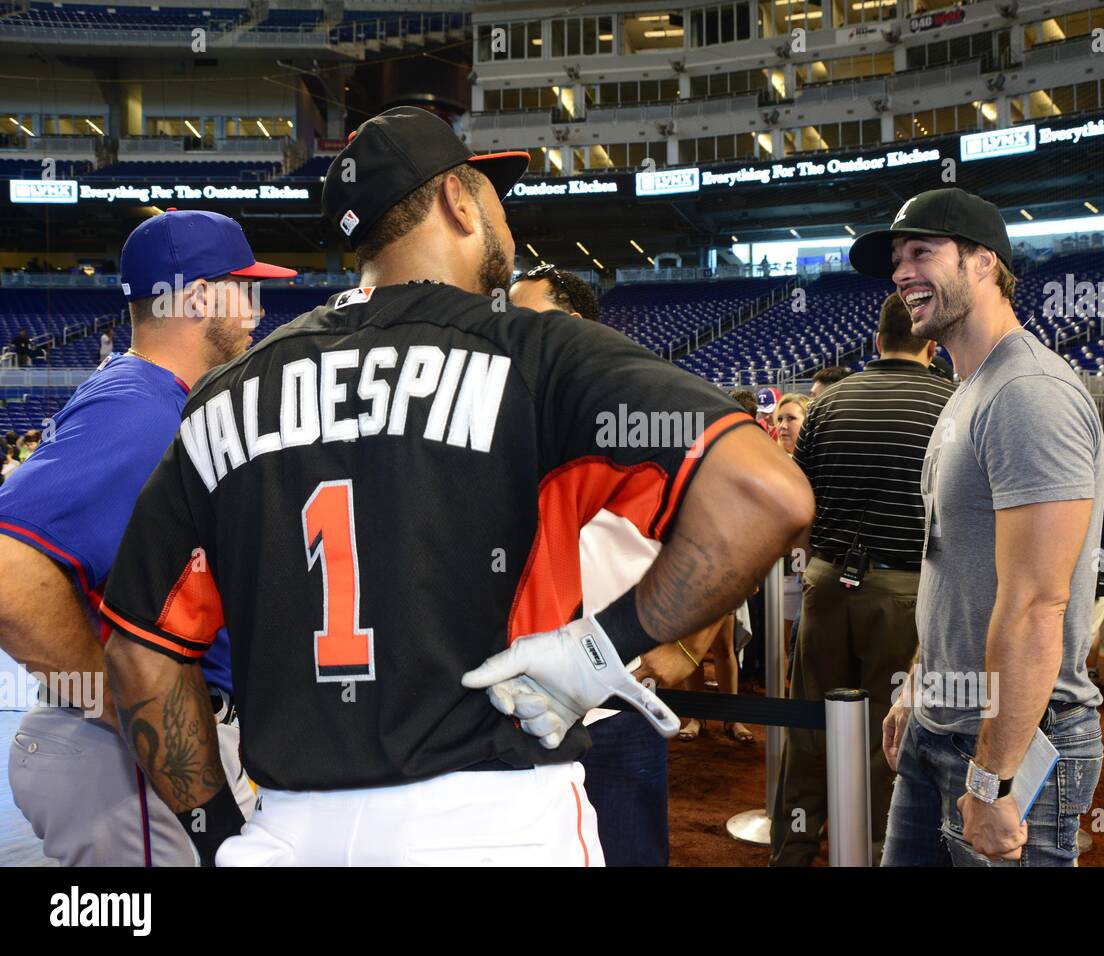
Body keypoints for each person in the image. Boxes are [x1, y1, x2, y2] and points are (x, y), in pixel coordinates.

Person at [100, 107, 813, 867]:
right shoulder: (532, 351)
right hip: (495, 818)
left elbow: (141, 651)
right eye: (491, 191)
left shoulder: (225, 394)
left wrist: (214, 834)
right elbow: (766, 496)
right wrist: (599, 653)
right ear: (457, 202)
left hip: (288, 828)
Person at [0, 209, 293, 865]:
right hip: (122, 759)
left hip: (143, 748)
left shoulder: (159, 398)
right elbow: (8, 577)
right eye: (241, 288)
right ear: (194, 296)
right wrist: (118, 699)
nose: (256, 306)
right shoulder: (139, 407)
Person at [851, 188, 1104, 866]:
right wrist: (918, 684)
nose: (903, 272)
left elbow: (1036, 603)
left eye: (922, 252)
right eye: (897, 259)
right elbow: (951, 570)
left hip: (1010, 740)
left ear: (985, 263)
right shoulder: (969, 389)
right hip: (943, 723)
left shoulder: (1028, 393)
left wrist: (994, 780)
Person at [509, 261, 718, 865]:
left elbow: (744, 526)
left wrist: (686, 648)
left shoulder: (640, 419)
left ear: (570, 326)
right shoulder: (503, 425)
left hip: (614, 711)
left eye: (527, 321)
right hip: (514, 710)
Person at [771, 291, 955, 866]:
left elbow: (797, 504)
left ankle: (793, 851)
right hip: (907, 592)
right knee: (890, 737)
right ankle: (876, 854)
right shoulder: (951, 403)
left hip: (827, 582)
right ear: (931, 343)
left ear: (876, 342)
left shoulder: (830, 402)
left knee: (807, 729)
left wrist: (813, 569)